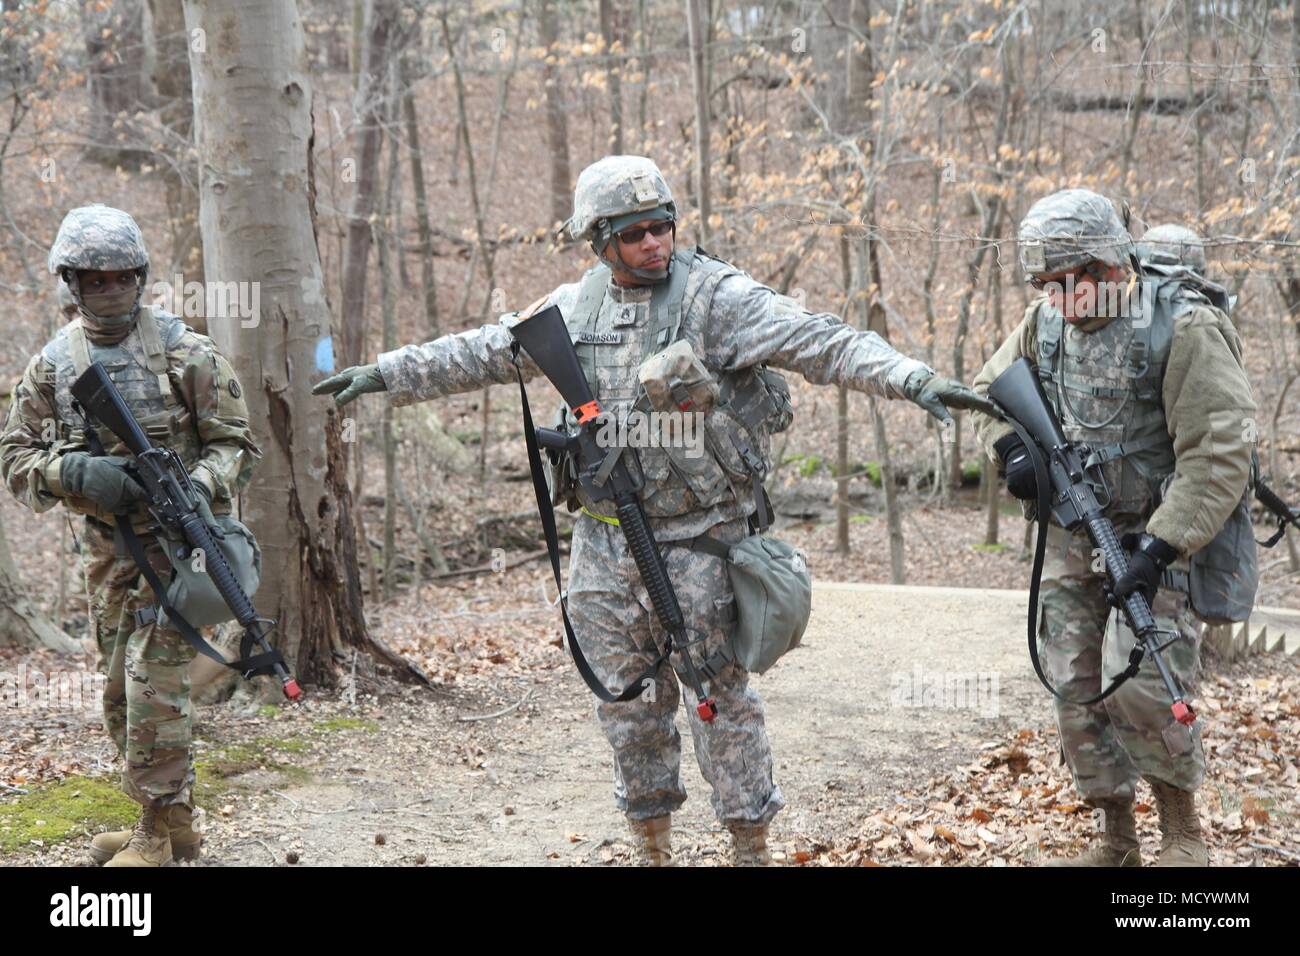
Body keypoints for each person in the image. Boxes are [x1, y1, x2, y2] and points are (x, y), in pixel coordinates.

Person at [315, 155, 990, 865]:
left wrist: (909, 377)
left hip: (701, 543)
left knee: (721, 702)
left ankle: (749, 848)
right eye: (635, 232)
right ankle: (651, 846)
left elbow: (821, 341)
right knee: (626, 706)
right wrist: (386, 373)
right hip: (603, 545)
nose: (654, 242)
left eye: (662, 226)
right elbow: (482, 353)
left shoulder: (716, 299)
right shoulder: (576, 310)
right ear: (599, 241)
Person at [970, 189, 1255, 866]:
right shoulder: (1045, 324)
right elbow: (989, 389)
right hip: (1076, 529)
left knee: (1145, 683)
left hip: (1160, 533)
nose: (1057, 300)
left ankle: (1182, 832)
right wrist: (1013, 451)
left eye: (1069, 284)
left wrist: (1159, 549)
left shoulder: (1181, 330)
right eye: (1045, 285)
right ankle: (1115, 836)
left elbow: (1219, 452)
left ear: (1109, 268)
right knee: (1072, 681)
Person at [0, 204, 260, 866]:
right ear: (72, 284)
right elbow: (16, 462)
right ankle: (175, 823)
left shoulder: (187, 352)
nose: (109, 291)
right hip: (107, 556)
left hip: (187, 549)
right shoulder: (54, 368)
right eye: (94, 280)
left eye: (120, 278)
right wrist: (76, 471)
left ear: (140, 278)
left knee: (152, 685)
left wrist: (199, 486)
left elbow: (236, 444)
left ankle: (154, 837)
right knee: (119, 693)